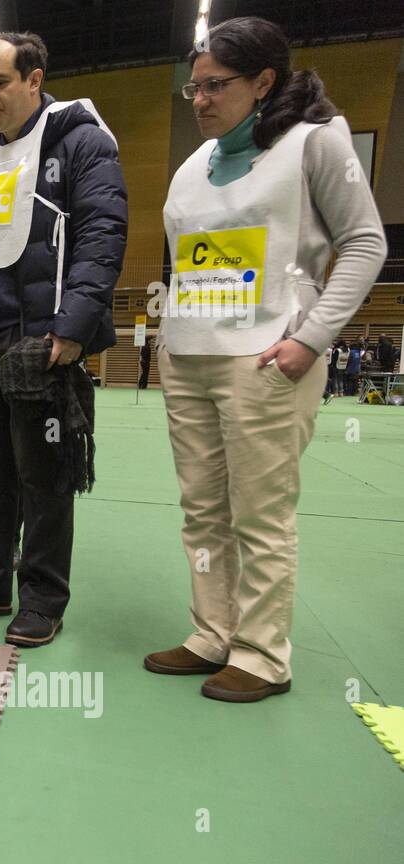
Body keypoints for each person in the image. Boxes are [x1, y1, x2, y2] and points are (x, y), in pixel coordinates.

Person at [144, 17, 386, 702]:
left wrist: (311, 337)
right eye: (193, 87)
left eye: (215, 86)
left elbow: (365, 243)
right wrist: (170, 341)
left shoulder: (315, 145)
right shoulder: (195, 164)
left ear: (263, 82)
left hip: (267, 359)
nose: (199, 100)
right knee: (202, 512)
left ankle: (262, 654)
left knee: (260, 512)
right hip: (189, 359)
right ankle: (212, 633)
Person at [0, 31, 128, 648]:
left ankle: (41, 598)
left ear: (35, 78)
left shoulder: (80, 141)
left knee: (43, 474)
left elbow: (102, 231)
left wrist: (73, 326)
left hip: (36, 339)